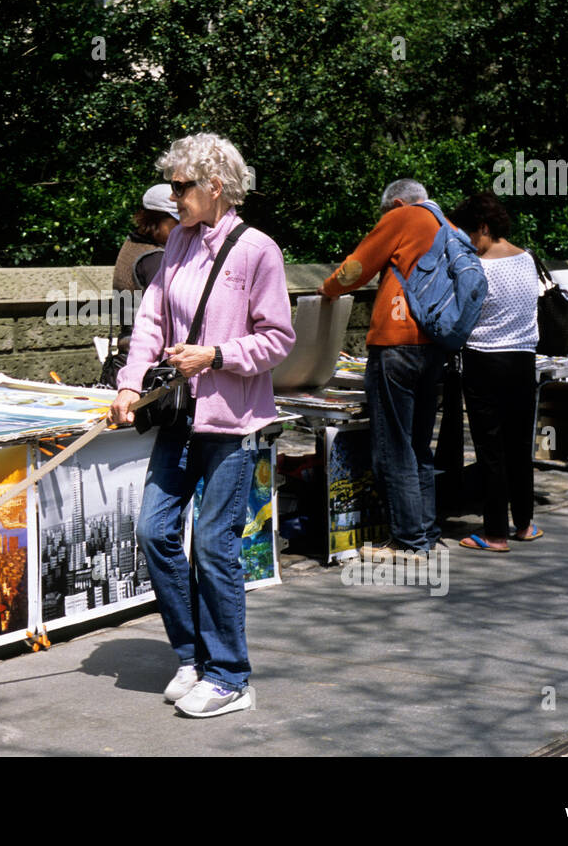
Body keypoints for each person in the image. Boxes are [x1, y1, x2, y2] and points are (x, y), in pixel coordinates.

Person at [109, 133, 294, 719]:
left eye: (181, 186)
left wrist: (215, 355)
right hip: (180, 415)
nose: (173, 195)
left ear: (215, 187)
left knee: (215, 547)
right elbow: (149, 322)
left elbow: (279, 339)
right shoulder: (177, 246)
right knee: (155, 531)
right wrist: (130, 384)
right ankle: (192, 656)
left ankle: (231, 676)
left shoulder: (257, 249)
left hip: (232, 422)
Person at [318, 179, 451, 558]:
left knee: (393, 446)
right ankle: (425, 534)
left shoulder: (405, 217)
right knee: (419, 445)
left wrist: (326, 290)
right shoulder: (448, 226)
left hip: (396, 342)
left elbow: (355, 268)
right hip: (434, 345)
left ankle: (407, 543)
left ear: (395, 203)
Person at [449, 191, 542, 551]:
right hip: (522, 359)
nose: (468, 242)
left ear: (484, 228)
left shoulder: (478, 267)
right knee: (520, 445)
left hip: (484, 360)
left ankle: (494, 533)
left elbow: (466, 313)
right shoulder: (528, 260)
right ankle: (524, 524)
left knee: (491, 448)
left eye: (471, 234)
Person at [112, 183, 179, 353]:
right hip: (147, 353)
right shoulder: (153, 258)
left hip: (133, 346)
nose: (183, 229)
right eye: (176, 222)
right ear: (156, 220)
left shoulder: (132, 243)